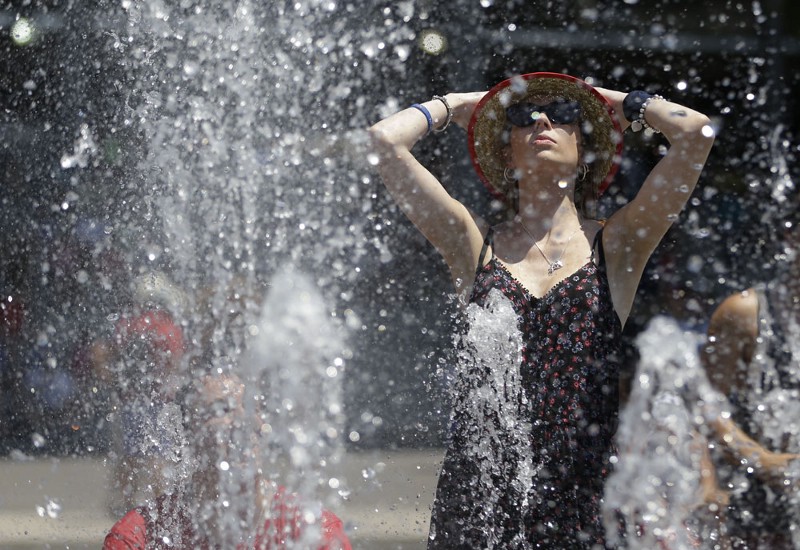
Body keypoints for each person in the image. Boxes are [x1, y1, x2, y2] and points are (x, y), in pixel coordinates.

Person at [368, 72, 714, 548]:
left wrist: (623, 103)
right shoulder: (475, 245)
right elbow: (385, 141)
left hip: (581, 500)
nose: (543, 120)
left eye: (564, 114)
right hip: (479, 500)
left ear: (585, 150)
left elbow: (697, 134)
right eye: (521, 116)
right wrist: (454, 104)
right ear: (506, 153)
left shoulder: (618, 246)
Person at [103, 373, 352, 549]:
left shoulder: (311, 532)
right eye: (222, 409)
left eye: (251, 408)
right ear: (186, 435)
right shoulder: (140, 538)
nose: (244, 423)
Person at [702, 213, 800, 549]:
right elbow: (705, 406)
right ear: (793, 239)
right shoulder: (745, 312)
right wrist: (762, 460)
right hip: (751, 504)